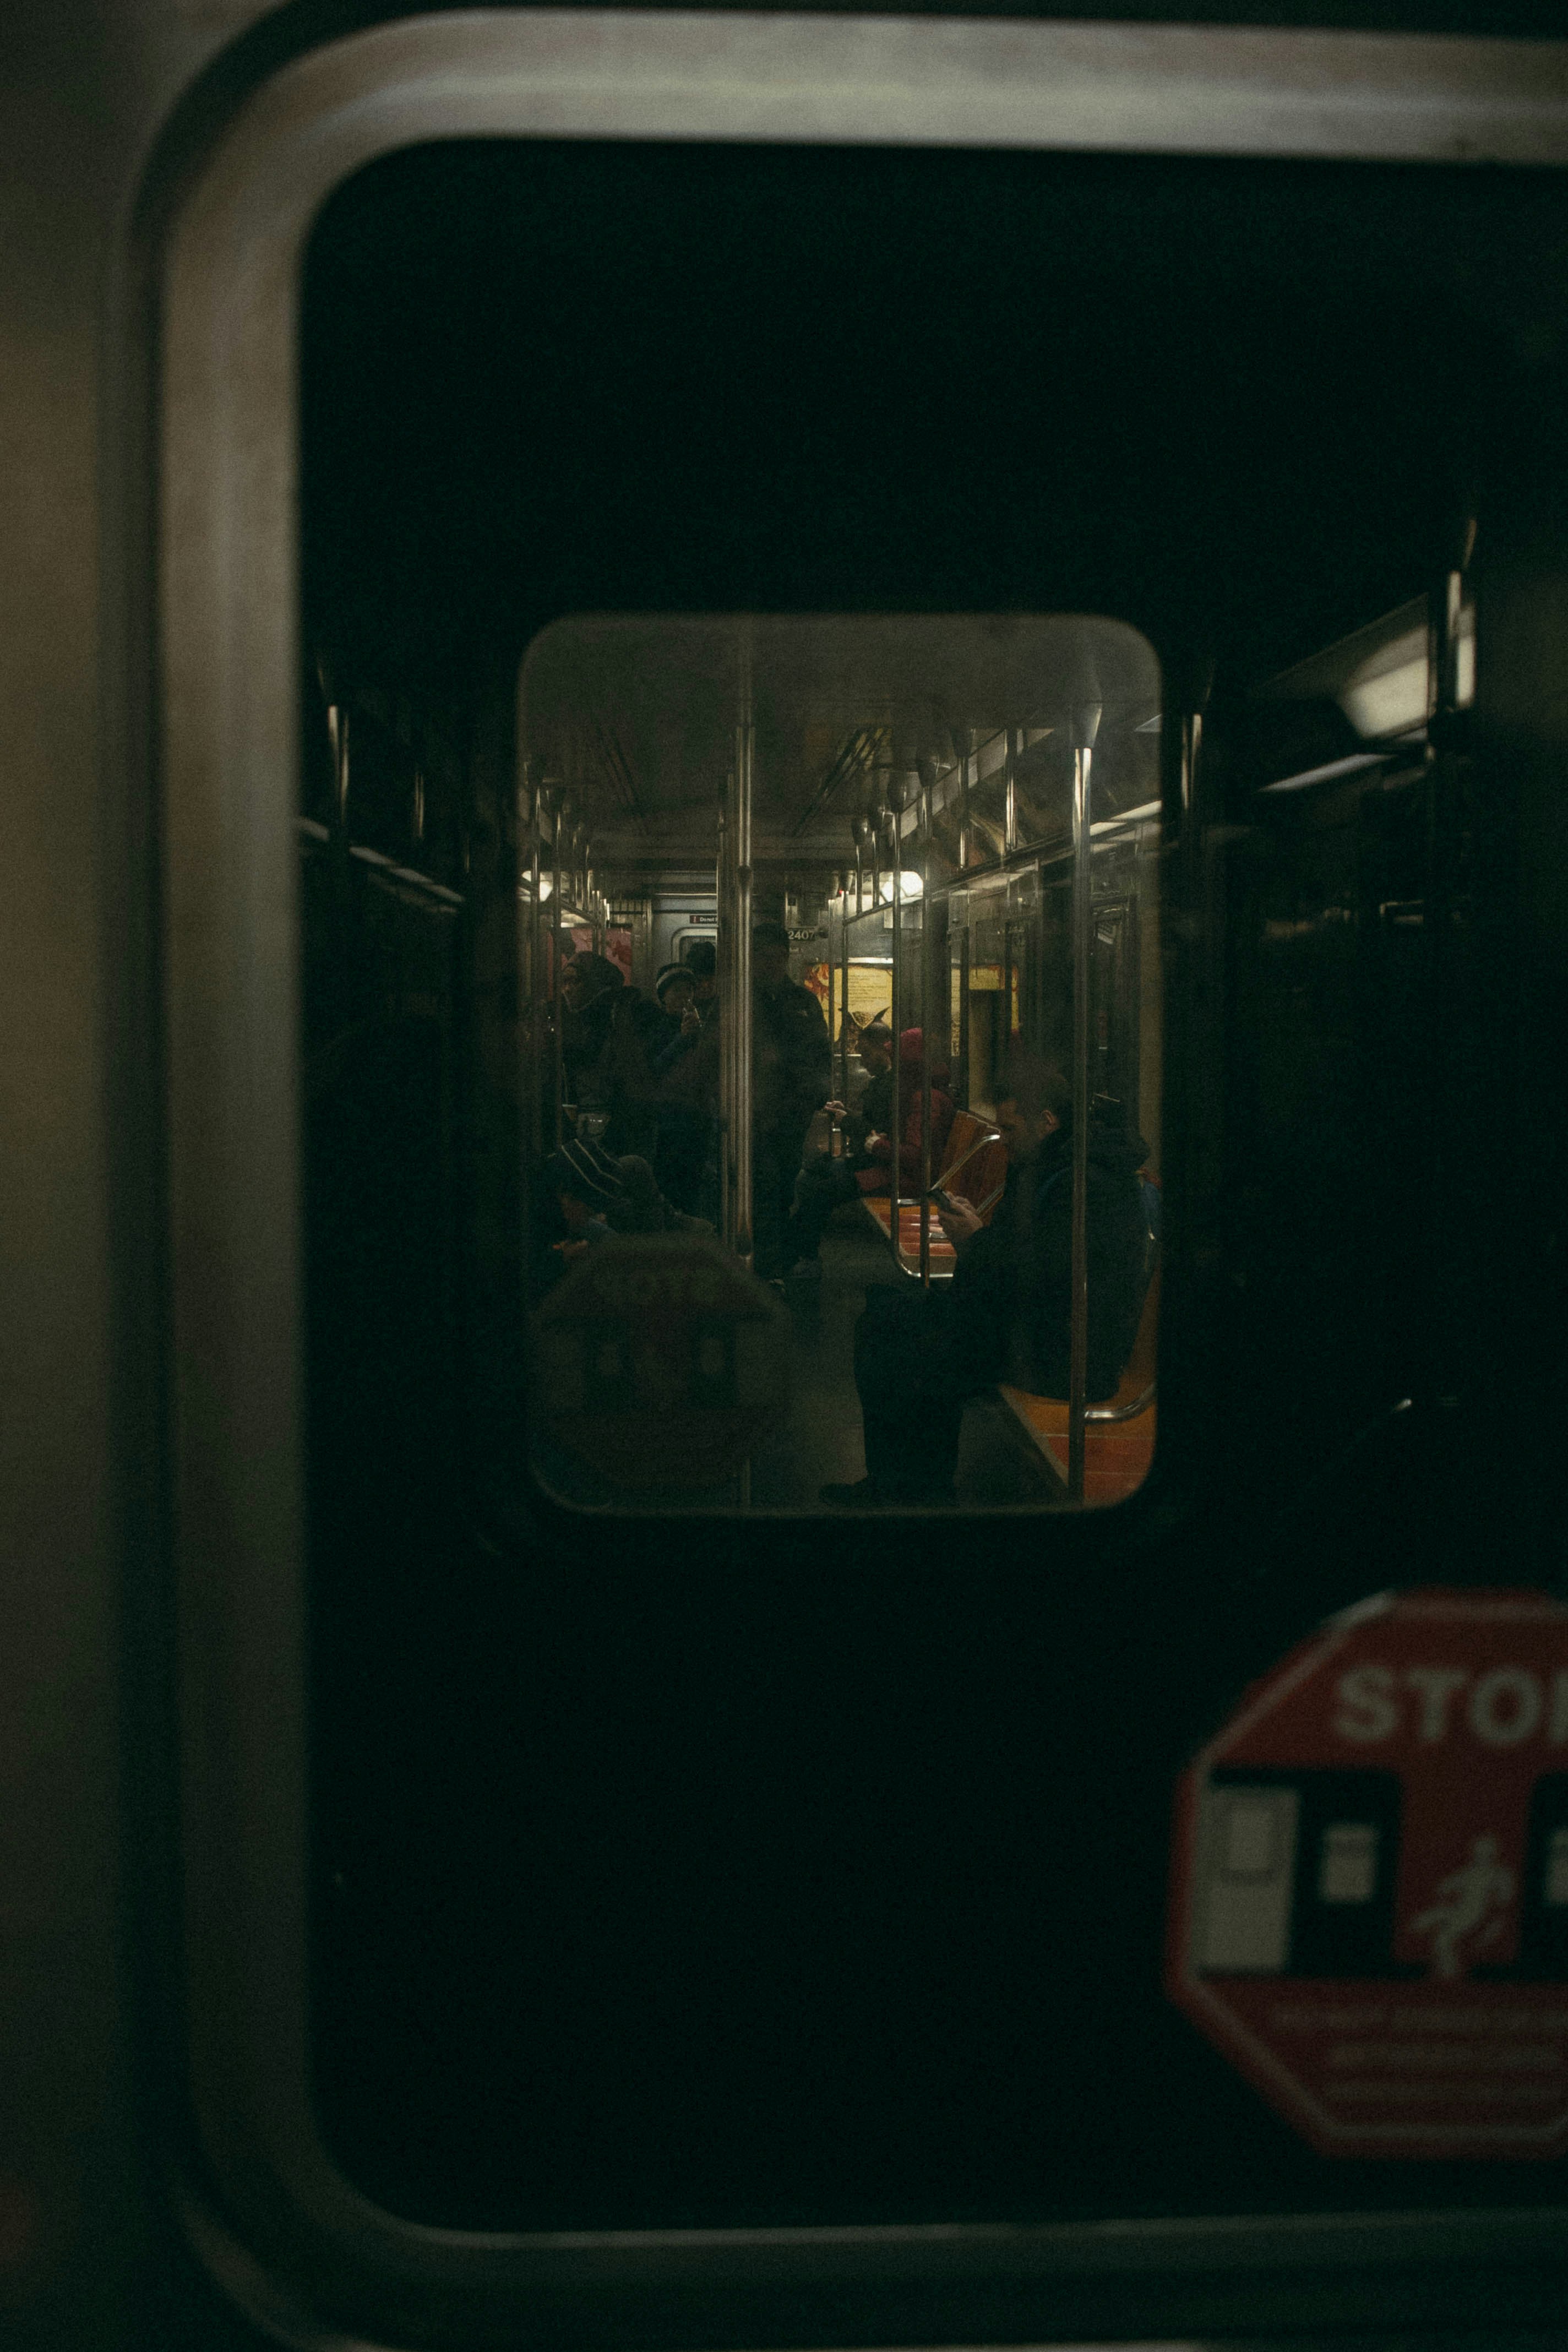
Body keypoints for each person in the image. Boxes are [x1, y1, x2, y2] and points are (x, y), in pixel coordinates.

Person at [821, 1053, 1153, 1507]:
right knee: (887, 1315)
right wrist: (980, 1232)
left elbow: (1047, 1277)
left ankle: (911, 1492)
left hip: (1066, 1355)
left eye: (1012, 1129)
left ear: (1048, 1121)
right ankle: (908, 1486)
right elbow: (1026, 1258)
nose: (1005, 1141)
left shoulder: (1087, 1185)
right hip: (1034, 1326)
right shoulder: (1053, 1165)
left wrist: (976, 1243)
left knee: (905, 1344)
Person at [783, 1025, 950, 1274]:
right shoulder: (917, 1093)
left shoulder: (924, 1099)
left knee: (822, 1191)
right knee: (822, 1185)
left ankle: (798, 1255)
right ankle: (796, 1250)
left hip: (904, 1178)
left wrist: (877, 1144)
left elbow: (916, 1157)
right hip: (893, 1169)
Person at [750, 919, 830, 1279]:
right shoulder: (742, 999)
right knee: (756, 1186)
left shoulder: (803, 1001)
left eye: (776, 957)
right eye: (762, 957)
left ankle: (776, 1260)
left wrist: (811, 1103)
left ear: (785, 957)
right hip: (750, 1111)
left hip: (788, 1114)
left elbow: (819, 1056)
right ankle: (760, 1258)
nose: (770, 964)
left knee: (782, 1185)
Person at [559, 949, 664, 1158]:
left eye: (575, 982)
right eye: (565, 983)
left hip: (622, 1119)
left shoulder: (617, 1016)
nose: (568, 990)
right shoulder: (574, 1020)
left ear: (594, 983)